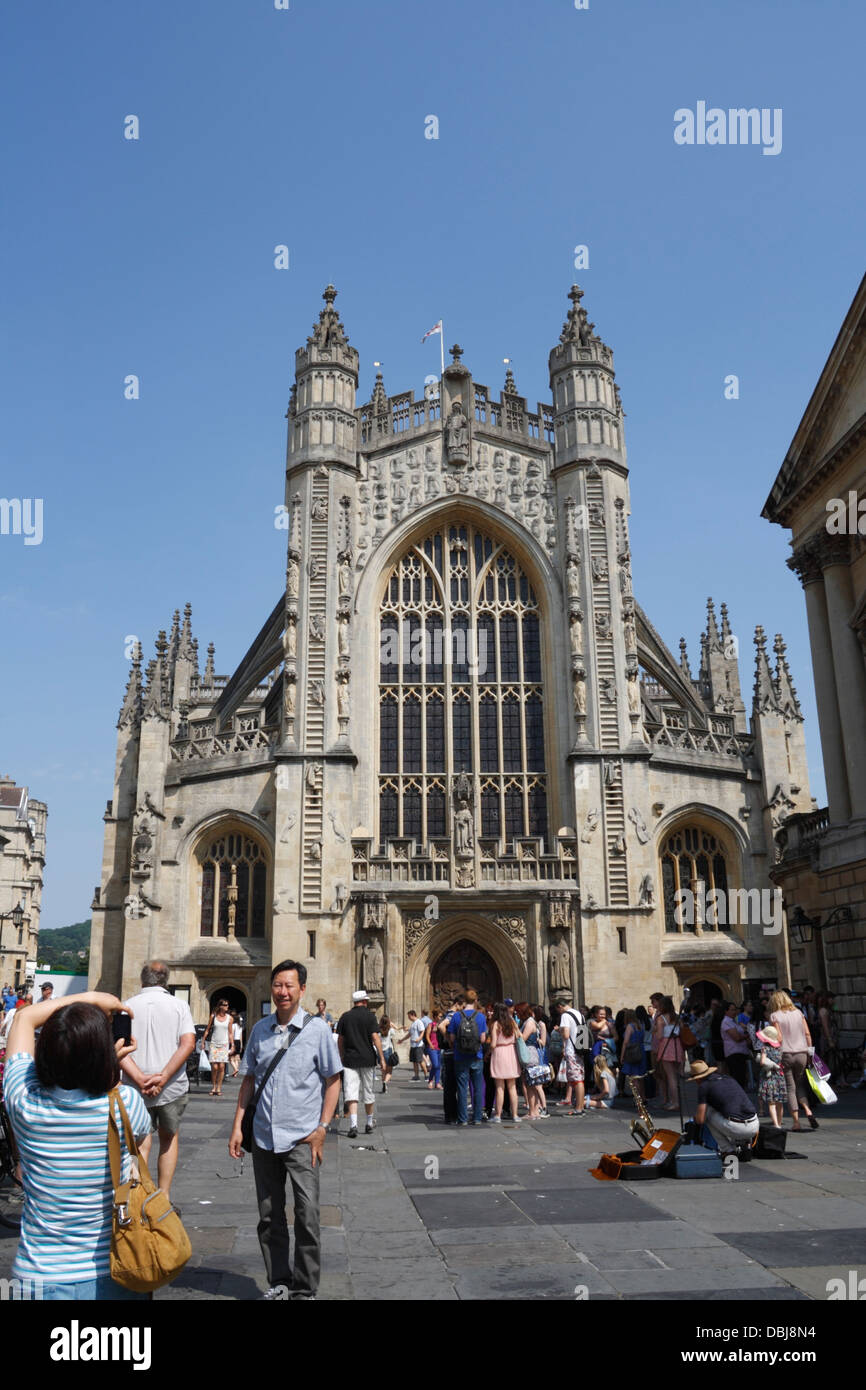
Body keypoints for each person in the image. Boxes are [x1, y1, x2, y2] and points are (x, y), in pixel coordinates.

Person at [3, 990, 151, 1301]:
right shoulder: (124, 1105)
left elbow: (23, 1018)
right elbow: (140, 1145)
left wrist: (91, 997)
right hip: (116, 1271)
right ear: (103, 1054)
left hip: (40, 1278)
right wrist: (110, 1068)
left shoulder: (24, 1103)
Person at [229, 960, 342, 1301]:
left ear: (302, 990)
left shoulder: (318, 1030)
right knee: (269, 1215)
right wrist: (237, 1126)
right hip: (263, 1135)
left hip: (302, 1137)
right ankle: (279, 1280)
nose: (282, 991)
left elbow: (333, 1080)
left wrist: (323, 1127)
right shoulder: (260, 1030)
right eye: (278, 985)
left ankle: (305, 1288)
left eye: (289, 985)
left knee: (307, 1214)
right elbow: (248, 1080)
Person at [120, 960, 196, 1202]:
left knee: (137, 1142)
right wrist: (163, 1077)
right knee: (168, 1138)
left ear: (143, 979)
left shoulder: (126, 1006)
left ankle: (136, 1193)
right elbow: (188, 1044)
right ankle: (163, 1195)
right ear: (166, 980)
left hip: (134, 1087)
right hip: (171, 1086)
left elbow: (118, 1049)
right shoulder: (178, 1005)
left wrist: (140, 1078)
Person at [335, 990, 386, 1137]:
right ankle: (369, 1123)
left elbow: (340, 1040)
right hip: (367, 1058)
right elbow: (375, 1038)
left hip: (350, 1059)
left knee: (351, 1092)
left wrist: (341, 1055)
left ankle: (353, 1125)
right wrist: (382, 1057)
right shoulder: (370, 1016)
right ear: (364, 1001)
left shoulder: (345, 1017)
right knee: (368, 1091)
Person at [686, 1059, 759, 1157]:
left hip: (737, 1128)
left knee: (707, 1115)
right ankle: (745, 1143)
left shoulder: (704, 1086)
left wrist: (695, 1118)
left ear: (697, 1079)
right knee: (732, 1111)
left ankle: (727, 1150)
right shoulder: (728, 1078)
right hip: (754, 1125)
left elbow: (700, 1120)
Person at [769, 989, 818, 1131]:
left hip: (786, 1054)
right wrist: (810, 1053)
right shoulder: (799, 1013)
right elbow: (808, 1033)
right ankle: (808, 1110)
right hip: (802, 1052)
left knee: (790, 1088)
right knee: (800, 1085)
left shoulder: (775, 1016)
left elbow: (778, 1037)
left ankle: (796, 1122)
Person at [448, 988, 488, 1126]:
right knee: (477, 1088)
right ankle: (477, 1118)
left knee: (462, 1088)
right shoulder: (481, 1017)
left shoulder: (457, 1016)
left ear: (464, 1000)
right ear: (476, 1000)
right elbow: (483, 1039)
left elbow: (452, 1037)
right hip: (477, 1055)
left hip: (460, 1056)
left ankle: (463, 1119)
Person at [488, 1003, 521, 1124]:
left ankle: (498, 1115)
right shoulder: (512, 1022)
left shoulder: (496, 1024)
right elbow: (519, 1036)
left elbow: (493, 1044)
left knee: (500, 1087)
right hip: (511, 1052)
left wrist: (488, 1053)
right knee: (512, 1087)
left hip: (499, 1052)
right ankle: (516, 1115)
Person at [516, 1002, 548, 1119]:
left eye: (518, 1012)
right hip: (530, 1053)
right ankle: (533, 1111)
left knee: (531, 1084)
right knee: (531, 1084)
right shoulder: (529, 1021)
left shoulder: (529, 1022)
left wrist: (515, 1030)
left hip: (529, 1054)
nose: (517, 1014)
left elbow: (523, 1038)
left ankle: (533, 1112)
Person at [653, 996, 684, 1111]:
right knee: (674, 1076)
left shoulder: (661, 1018)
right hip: (677, 1045)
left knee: (670, 1076)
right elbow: (681, 1030)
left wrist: (655, 1030)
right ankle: (675, 1100)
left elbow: (660, 1036)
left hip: (666, 1045)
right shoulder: (676, 1017)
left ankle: (674, 1102)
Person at [558, 999, 586, 1115]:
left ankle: (578, 1108)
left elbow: (566, 1034)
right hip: (580, 1049)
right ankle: (580, 1106)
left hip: (572, 1050)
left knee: (577, 1079)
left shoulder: (565, 1015)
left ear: (560, 1006)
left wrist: (560, 1030)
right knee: (579, 1078)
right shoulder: (579, 1014)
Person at [755, 1024, 786, 1128]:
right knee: (779, 1102)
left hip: (769, 1077)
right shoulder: (780, 1049)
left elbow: (763, 1062)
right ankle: (780, 1123)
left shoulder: (765, 1048)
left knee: (771, 1103)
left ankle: (776, 1124)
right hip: (779, 1076)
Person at [203, 998, 233, 1097]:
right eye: (224, 1005)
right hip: (214, 1043)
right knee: (215, 1067)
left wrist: (232, 1044)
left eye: (227, 1005)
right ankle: (214, 1086)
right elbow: (207, 1030)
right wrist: (203, 1041)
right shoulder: (213, 1016)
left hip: (224, 1044)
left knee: (221, 1066)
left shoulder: (229, 1018)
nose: (226, 1007)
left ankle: (219, 1087)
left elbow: (230, 1032)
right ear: (220, 1006)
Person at [720, 1001, 751, 1090]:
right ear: (726, 1011)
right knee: (738, 1078)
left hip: (741, 1053)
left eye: (735, 1010)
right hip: (734, 1053)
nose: (734, 1012)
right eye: (732, 1010)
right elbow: (736, 1037)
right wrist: (747, 1035)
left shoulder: (734, 1021)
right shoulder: (726, 1022)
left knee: (741, 1078)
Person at [402, 1010, 428, 1081]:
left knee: (420, 1061)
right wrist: (402, 1040)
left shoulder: (419, 1022)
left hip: (418, 1045)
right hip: (413, 1045)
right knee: (414, 1061)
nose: (408, 1018)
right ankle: (416, 1076)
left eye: (409, 1016)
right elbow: (410, 1034)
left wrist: (419, 1038)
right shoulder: (413, 1023)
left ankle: (426, 1075)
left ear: (413, 1015)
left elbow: (422, 1031)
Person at [379, 1015, 399, 1092]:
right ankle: (385, 1082)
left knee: (383, 1071)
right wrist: (391, 1025)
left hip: (380, 1052)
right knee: (389, 1071)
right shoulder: (390, 1029)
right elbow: (394, 1033)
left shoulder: (378, 1030)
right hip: (388, 1051)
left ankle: (384, 1086)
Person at [425, 1010, 443, 1089]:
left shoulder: (441, 1025)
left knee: (438, 1066)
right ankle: (430, 1080)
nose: (440, 1018)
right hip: (432, 1048)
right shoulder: (430, 1025)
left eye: (441, 1016)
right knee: (435, 1065)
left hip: (439, 1047)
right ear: (435, 1017)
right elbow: (427, 1036)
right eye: (439, 1016)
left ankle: (437, 1082)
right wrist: (430, 1044)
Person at [230, 1011, 243, 1078]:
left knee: (231, 1058)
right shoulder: (240, 1027)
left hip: (234, 1041)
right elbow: (241, 1036)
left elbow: (232, 1034)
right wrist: (241, 1045)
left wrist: (231, 1043)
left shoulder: (233, 1025)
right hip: (238, 1042)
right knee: (236, 1058)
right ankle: (235, 1074)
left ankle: (236, 1069)